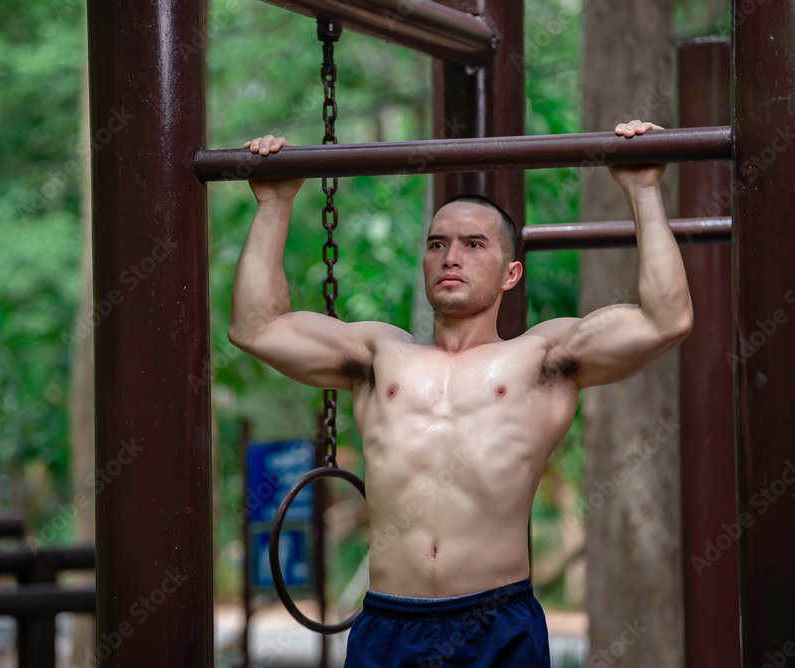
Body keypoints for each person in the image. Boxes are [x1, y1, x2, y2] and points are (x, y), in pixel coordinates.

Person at [228, 120, 692, 667]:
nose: (452, 257)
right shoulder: (379, 356)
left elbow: (667, 319)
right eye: (437, 244)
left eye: (475, 245)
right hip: (387, 625)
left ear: (510, 273)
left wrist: (642, 189)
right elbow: (255, 326)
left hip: (495, 624)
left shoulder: (542, 360)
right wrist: (274, 203)